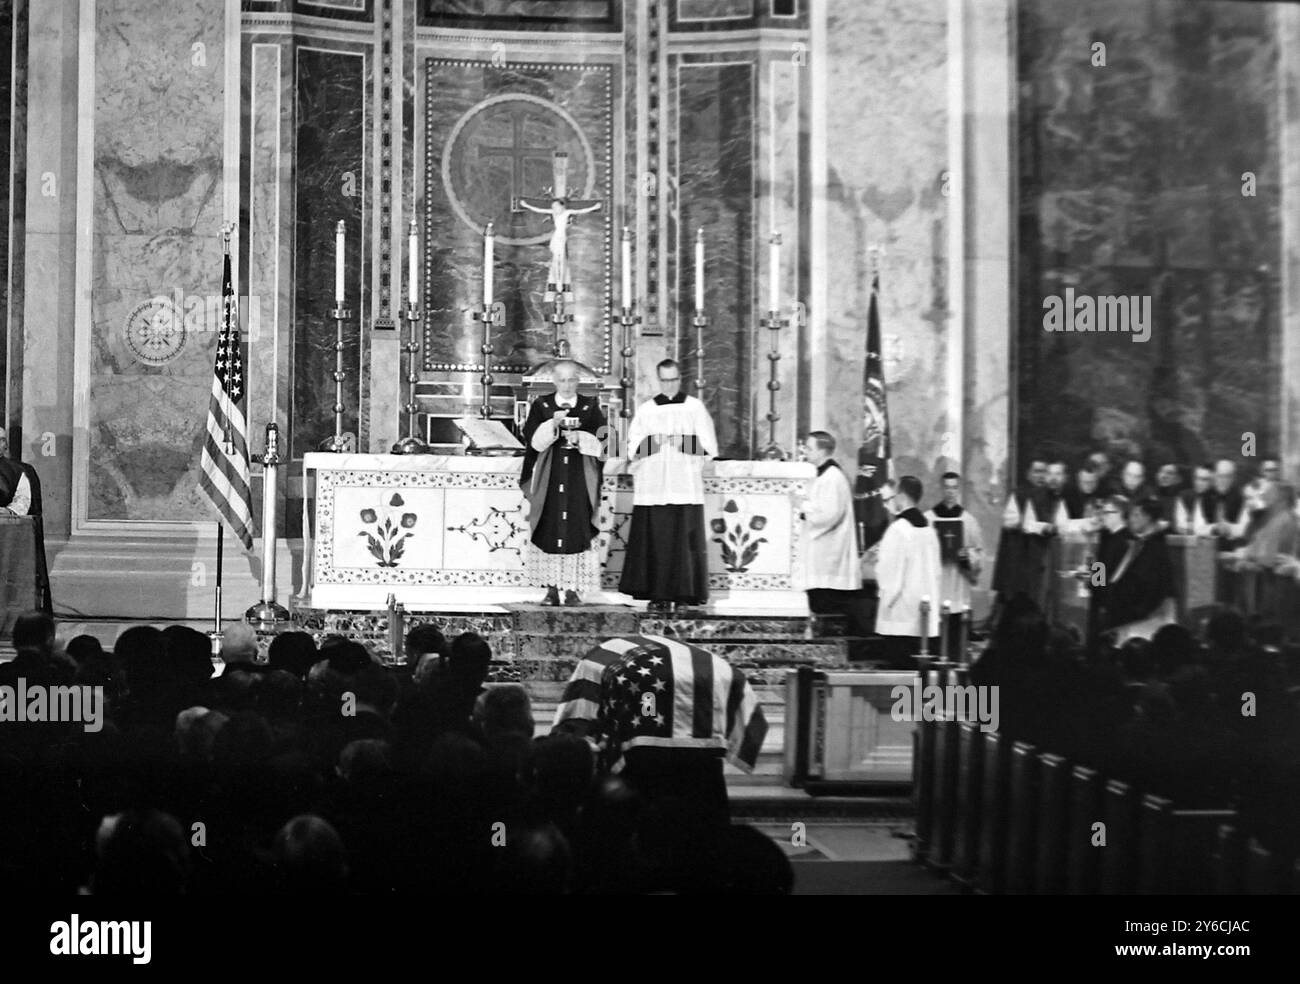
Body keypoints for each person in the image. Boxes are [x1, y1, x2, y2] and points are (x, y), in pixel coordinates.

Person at [619, 359, 718, 614]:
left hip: (684, 484)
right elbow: (632, 450)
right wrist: (654, 442)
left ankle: (685, 594)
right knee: (657, 541)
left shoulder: (695, 407)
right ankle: (658, 594)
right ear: (658, 380)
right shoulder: (646, 410)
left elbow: (709, 447)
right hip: (654, 486)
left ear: (680, 379)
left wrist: (682, 442)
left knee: (684, 542)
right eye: (664, 380)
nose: (669, 384)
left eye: (673, 379)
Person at [518, 359, 606, 606]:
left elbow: (605, 439)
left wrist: (581, 437)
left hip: (579, 479)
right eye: (562, 380)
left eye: (572, 380)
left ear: (578, 381)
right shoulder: (542, 405)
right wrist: (552, 425)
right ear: (554, 381)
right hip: (550, 476)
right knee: (550, 528)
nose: (567, 385)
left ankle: (573, 590)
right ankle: (551, 589)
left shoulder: (590, 406)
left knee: (576, 530)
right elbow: (532, 441)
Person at [794, 432, 868, 638]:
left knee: (826, 601)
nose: (805, 452)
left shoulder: (832, 477)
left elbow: (829, 514)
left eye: (809, 448)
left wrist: (802, 506)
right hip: (822, 550)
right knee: (819, 598)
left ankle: (826, 639)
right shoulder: (823, 475)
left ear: (822, 450)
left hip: (828, 552)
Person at [873, 475, 941, 668]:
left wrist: (885, 602)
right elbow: (935, 573)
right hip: (924, 613)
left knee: (900, 678)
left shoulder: (898, 530)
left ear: (901, 495)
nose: (888, 504)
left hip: (900, 616)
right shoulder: (929, 530)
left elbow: (889, 574)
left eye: (890, 498)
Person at [1096, 496, 1177, 644]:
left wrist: (1096, 589)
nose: (1102, 517)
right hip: (1122, 613)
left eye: (1107, 512)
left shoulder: (1125, 542)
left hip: (1134, 619)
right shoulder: (1127, 541)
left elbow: (1105, 574)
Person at [925, 471, 984, 651]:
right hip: (937, 581)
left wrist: (967, 557)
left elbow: (978, 552)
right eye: (947, 487)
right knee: (936, 637)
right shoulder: (928, 518)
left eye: (954, 487)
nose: (950, 492)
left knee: (956, 639)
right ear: (941, 489)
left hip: (958, 581)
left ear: (959, 490)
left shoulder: (968, 520)